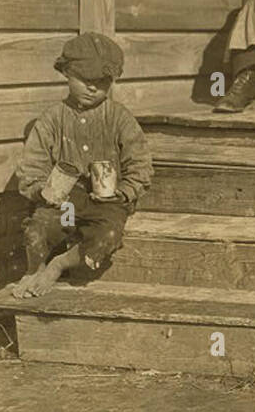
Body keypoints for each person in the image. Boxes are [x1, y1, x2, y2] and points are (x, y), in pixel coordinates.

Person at [12, 32, 153, 297]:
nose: (93, 88)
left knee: (107, 236)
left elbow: (140, 163)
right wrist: (40, 190)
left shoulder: (119, 118)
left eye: (102, 82)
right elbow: (33, 164)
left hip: (106, 202)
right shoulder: (53, 119)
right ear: (66, 73)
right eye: (85, 80)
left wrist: (125, 192)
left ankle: (59, 263)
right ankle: (34, 269)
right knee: (37, 230)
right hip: (64, 200)